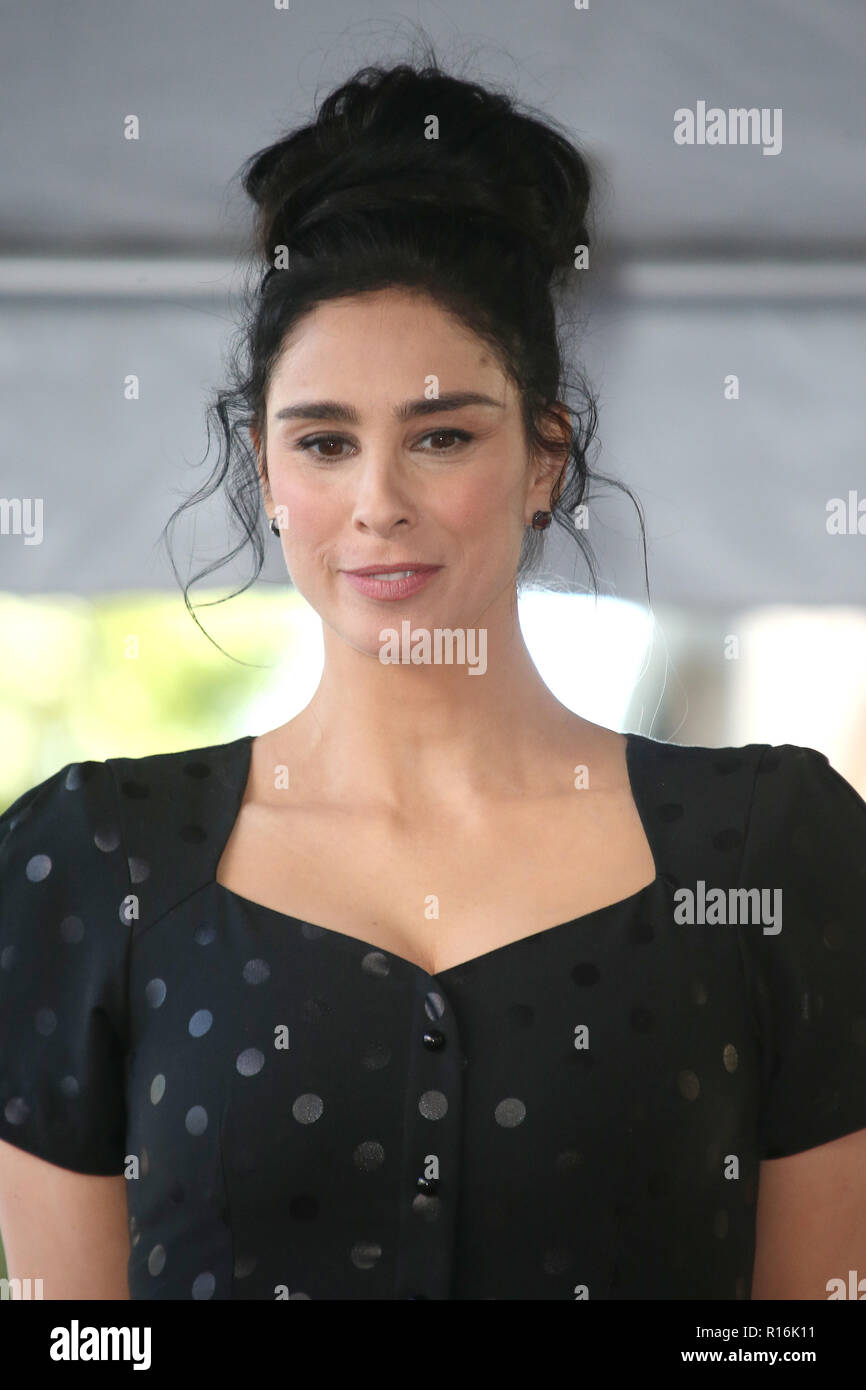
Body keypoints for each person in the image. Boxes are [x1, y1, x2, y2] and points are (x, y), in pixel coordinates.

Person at [2, 43, 866, 1303]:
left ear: (541, 459)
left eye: (441, 435)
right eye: (324, 441)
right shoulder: (87, 861)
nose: (377, 505)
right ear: (265, 471)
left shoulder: (772, 850)